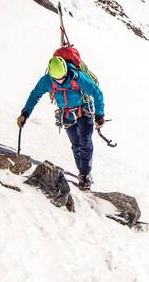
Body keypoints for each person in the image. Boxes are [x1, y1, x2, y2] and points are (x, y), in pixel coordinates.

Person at [17, 55, 105, 190]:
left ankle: (85, 174)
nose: (60, 81)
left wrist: (99, 115)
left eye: (62, 77)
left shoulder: (78, 77)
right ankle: (82, 170)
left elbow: (96, 92)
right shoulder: (47, 80)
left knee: (85, 142)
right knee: (76, 144)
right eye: (56, 79)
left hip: (84, 110)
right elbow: (35, 95)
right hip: (67, 114)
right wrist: (25, 113)